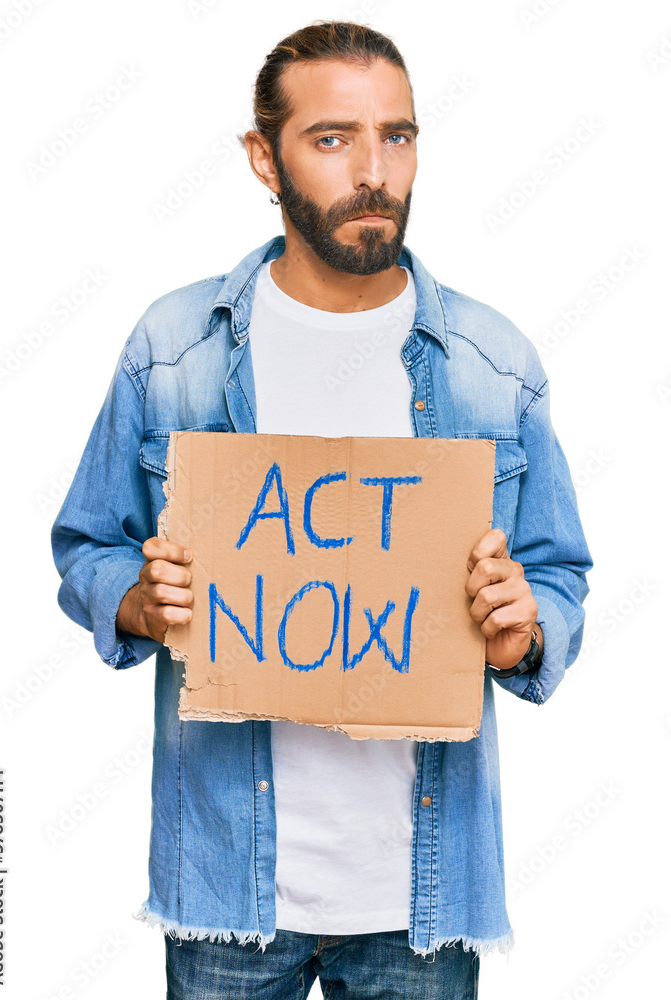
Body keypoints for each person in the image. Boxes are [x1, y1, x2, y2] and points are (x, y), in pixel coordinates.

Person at [50, 19, 593, 1000]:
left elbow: (557, 575)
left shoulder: (492, 359)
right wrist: (138, 597)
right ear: (265, 157)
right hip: (228, 885)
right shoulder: (175, 347)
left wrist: (525, 627)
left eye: (399, 134)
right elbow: (87, 544)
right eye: (334, 138)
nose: (375, 170)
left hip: (418, 899)